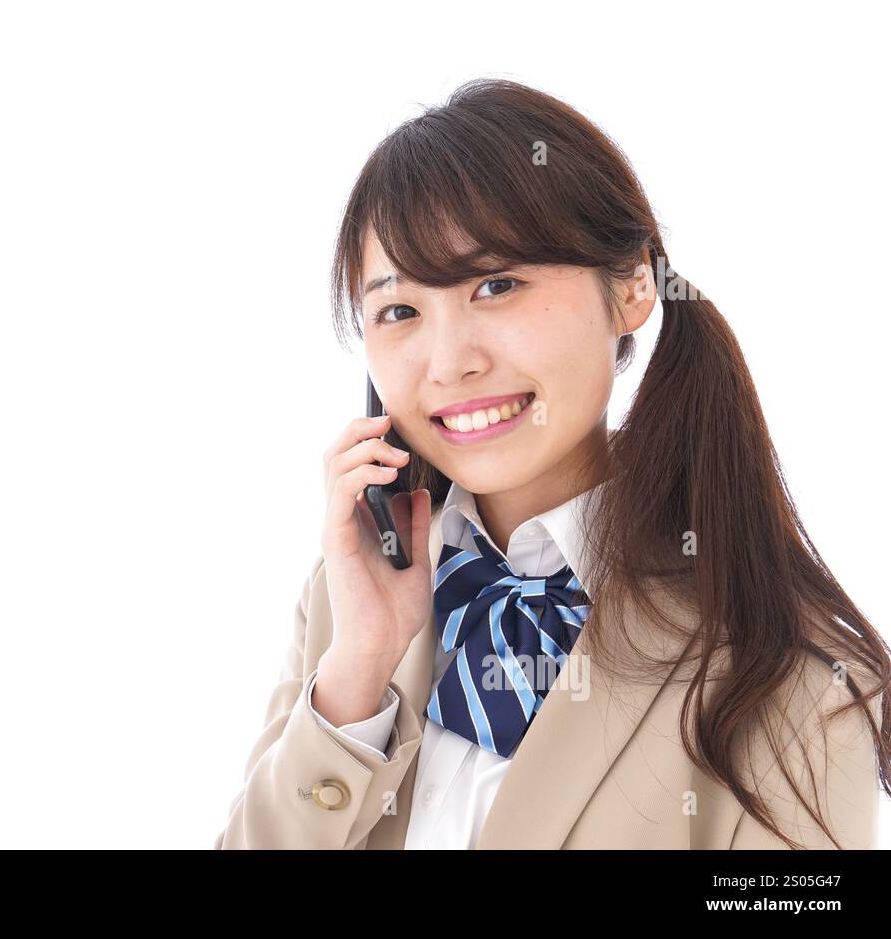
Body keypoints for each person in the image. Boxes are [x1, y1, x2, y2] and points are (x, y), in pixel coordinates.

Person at [214, 78, 889, 850]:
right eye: (399, 310)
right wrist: (361, 667)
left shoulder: (788, 673)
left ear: (634, 286)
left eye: (497, 285)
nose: (448, 363)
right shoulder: (347, 603)